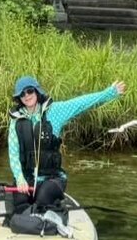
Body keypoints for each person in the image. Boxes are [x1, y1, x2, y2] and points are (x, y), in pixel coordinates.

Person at [7, 75, 126, 213]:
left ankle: (48, 209)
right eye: (22, 94)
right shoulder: (16, 120)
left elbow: (81, 103)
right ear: (19, 98)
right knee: (20, 205)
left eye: (29, 91)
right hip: (26, 179)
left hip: (51, 179)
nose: (27, 96)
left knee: (43, 201)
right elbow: (13, 153)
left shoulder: (55, 111)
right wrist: (20, 178)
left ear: (37, 91)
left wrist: (109, 93)